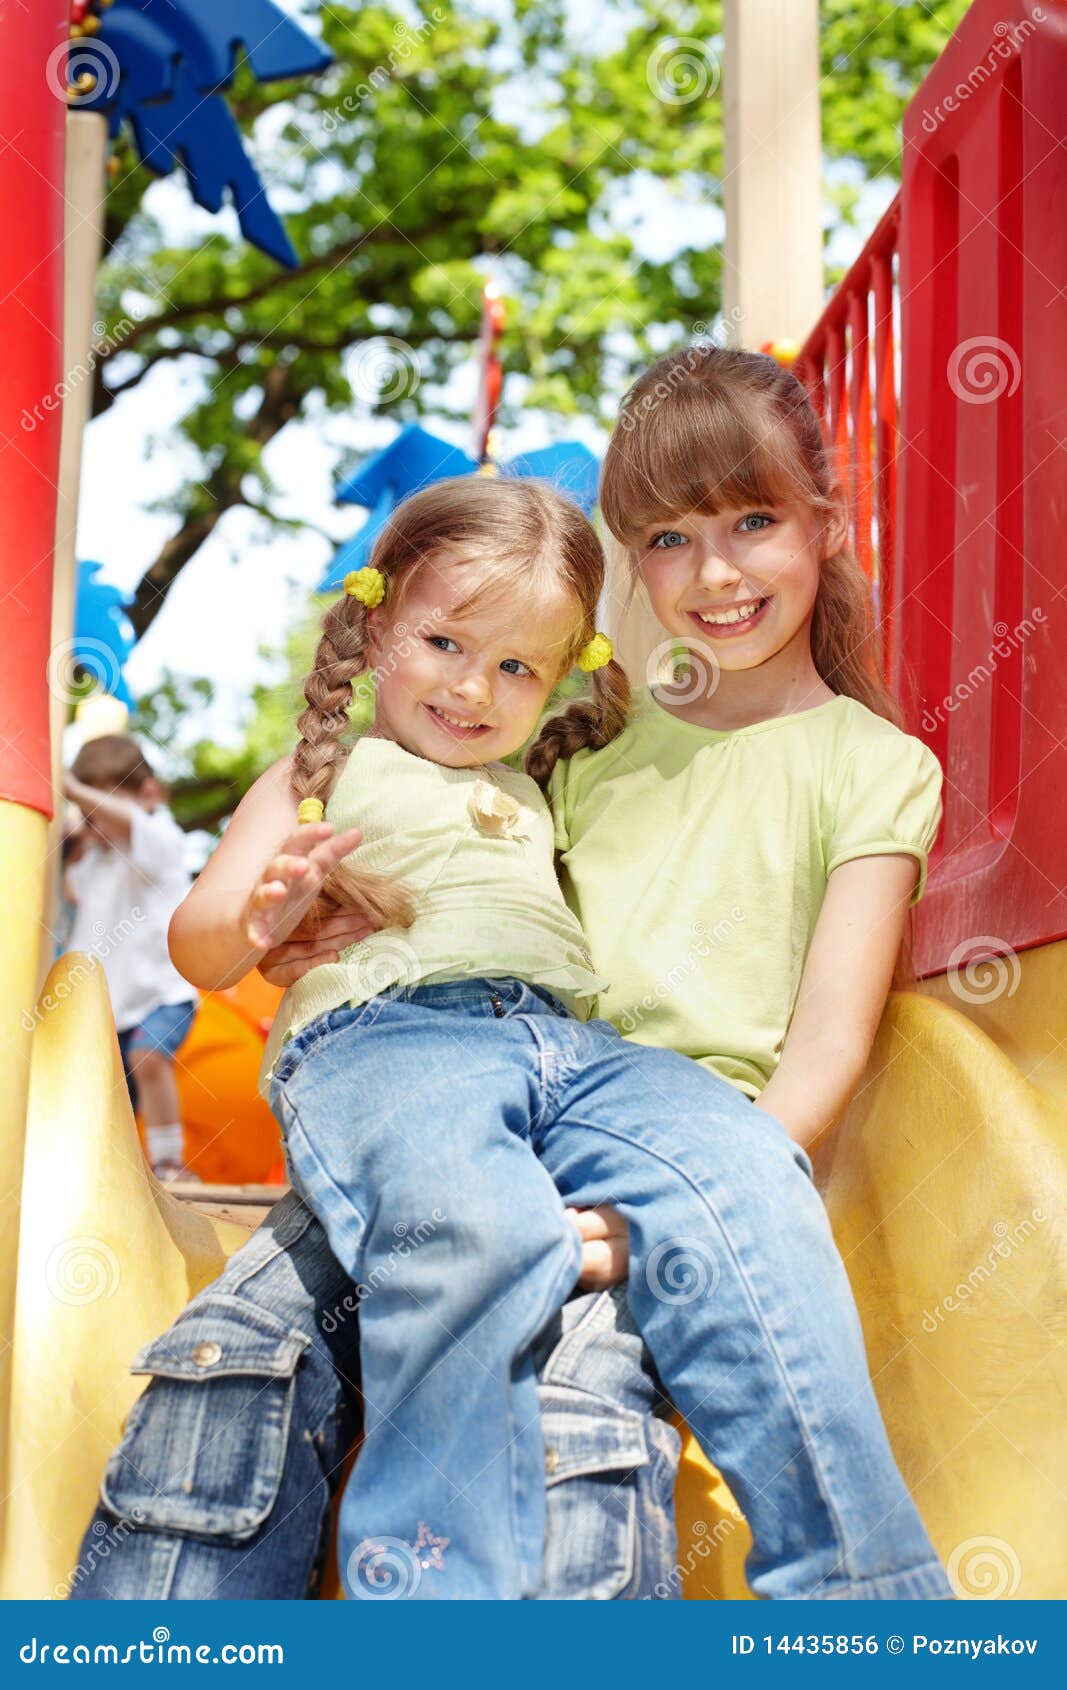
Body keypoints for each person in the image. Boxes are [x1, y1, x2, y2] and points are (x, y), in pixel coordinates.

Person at [72, 466, 951, 1603]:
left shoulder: (540, 784)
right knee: (473, 1233)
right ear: (377, 618)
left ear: (556, 681)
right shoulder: (321, 770)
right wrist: (261, 912)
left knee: (745, 1168)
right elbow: (197, 943)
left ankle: (865, 1594)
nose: (474, 687)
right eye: (444, 642)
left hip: (571, 1051)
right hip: (391, 1042)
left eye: (516, 667)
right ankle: (447, 1602)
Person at [63, 734, 198, 1181]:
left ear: (149, 794)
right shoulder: (93, 861)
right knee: (105, 1094)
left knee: (148, 1057)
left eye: (104, 805)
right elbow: (66, 894)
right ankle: (105, 1174)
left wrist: (71, 788)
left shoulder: (160, 838)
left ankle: (169, 1163)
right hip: (110, 1009)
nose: (96, 817)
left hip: (163, 993)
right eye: (89, 812)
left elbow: (131, 824)